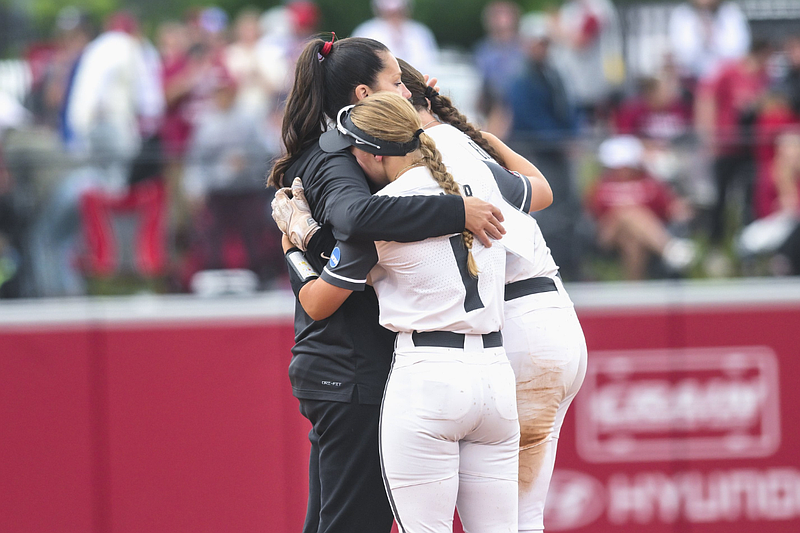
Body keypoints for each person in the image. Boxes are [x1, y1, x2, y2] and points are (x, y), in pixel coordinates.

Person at [265, 35, 505, 533]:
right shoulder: (336, 155)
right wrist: (457, 210)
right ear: (363, 95)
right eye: (397, 82)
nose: (405, 91)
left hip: (341, 366)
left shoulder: (334, 151)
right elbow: (354, 219)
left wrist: (301, 242)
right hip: (353, 369)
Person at [401, 59, 588, 533]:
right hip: (553, 316)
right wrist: (480, 135)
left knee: (503, 520)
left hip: (517, 324)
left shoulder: (429, 149)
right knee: (525, 517)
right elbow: (541, 192)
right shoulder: (462, 141)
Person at [587, 135, 697, 280]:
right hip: (609, 234)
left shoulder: (650, 182)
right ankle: (669, 249)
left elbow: (669, 209)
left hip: (640, 236)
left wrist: (681, 209)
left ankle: (634, 288)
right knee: (627, 213)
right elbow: (594, 215)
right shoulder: (602, 185)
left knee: (632, 241)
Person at [352, 0, 439, 76]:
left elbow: (429, 63)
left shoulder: (419, 32)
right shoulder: (367, 31)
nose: (394, 16)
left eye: (398, 11)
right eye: (389, 12)